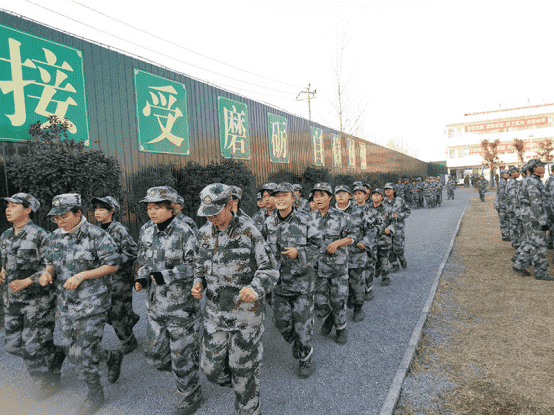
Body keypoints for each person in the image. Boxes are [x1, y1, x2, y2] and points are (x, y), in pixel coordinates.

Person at [192, 183, 278, 415]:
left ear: (230, 205)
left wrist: (255, 287)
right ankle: (241, 384)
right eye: (206, 214)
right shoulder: (202, 234)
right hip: (214, 315)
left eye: (215, 212)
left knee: (244, 370)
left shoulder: (249, 232)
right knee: (210, 369)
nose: (211, 218)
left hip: (245, 317)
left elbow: (270, 268)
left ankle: (249, 407)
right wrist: (197, 281)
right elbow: (199, 265)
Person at [39, 193, 122, 414]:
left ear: (78, 213)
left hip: (93, 302)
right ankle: (110, 356)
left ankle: (95, 393)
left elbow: (112, 265)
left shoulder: (96, 235)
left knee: (81, 352)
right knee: (69, 347)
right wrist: (47, 273)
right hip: (66, 303)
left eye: (64, 216)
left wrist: (82, 275)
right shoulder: (55, 236)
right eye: (55, 218)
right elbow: (49, 262)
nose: (59, 221)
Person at [134, 186, 203, 415]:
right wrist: (142, 279)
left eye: (157, 208)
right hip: (154, 306)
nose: (152, 212)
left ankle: (191, 393)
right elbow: (143, 260)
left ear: (171, 208)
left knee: (182, 356)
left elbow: (197, 265)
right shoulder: (146, 231)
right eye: (149, 208)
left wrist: (166, 276)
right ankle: (182, 366)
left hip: (181, 308)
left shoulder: (184, 231)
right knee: (154, 354)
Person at [0, 193, 65, 401]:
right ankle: (54, 353)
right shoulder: (5, 236)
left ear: (28, 210)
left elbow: (52, 268)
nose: (8, 210)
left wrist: (27, 281)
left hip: (37, 301)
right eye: (7, 206)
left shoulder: (41, 235)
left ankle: (48, 381)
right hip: (12, 299)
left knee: (31, 345)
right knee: (11, 345)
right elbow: (5, 262)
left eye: (14, 206)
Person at [262, 183, 321, 378]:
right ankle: (297, 342)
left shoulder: (305, 220)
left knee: (302, 326)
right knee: (281, 323)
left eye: (284, 195)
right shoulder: (269, 222)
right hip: (279, 285)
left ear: (293, 198)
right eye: (276, 195)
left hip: (302, 284)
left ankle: (305, 358)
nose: (279, 199)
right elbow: (262, 249)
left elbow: (318, 246)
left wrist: (300, 253)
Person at [90, 196, 139, 355]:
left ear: (111, 211)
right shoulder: (96, 230)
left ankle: (128, 341)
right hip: (104, 279)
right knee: (107, 312)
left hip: (120, 279)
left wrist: (113, 263)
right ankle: (130, 318)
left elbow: (132, 252)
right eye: (96, 209)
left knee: (114, 311)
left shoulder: (119, 230)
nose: (97, 212)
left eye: (102, 209)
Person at [311, 183, 355, 345]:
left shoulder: (341, 216)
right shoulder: (311, 218)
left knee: (338, 301)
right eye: (315, 196)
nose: (318, 199)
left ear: (330, 197)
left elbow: (352, 237)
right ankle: (329, 316)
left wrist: (337, 243)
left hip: (338, 268)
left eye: (322, 195)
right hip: (318, 269)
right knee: (319, 302)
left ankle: (341, 328)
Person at [335, 185, 373, 321]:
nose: (340, 196)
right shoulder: (331, 213)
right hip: (336, 259)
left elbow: (371, 229)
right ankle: (335, 316)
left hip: (356, 255)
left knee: (357, 284)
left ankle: (358, 308)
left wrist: (365, 242)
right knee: (338, 288)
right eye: (337, 193)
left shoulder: (359, 212)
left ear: (349, 196)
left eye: (343, 193)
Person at [512, 159, 554, 281]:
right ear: (534, 168)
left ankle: (519, 264)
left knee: (533, 243)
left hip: (529, 217)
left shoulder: (532, 180)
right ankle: (540, 272)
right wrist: (543, 221)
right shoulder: (532, 182)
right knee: (540, 246)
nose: (543, 168)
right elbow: (536, 204)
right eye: (541, 166)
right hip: (534, 218)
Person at [364, 189, 396, 286]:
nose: (376, 197)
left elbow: (394, 222)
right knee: (373, 258)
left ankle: (385, 277)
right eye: (374, 195)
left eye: (378, 195)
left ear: (382, 197)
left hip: (383, 239)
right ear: (371, 196)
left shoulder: (388, 209)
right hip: (371, 239)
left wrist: (389, 228)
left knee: (383, 257)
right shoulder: (367, 209)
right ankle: (377, 267)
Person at [383, 183, 410, 273]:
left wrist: (398, 215)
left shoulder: (400, 200)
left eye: (389, 189)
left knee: (397, 248)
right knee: (388, 247)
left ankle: (401, 258)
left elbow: (408, 211)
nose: (387, 190)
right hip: (387, 229)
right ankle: (394, 264)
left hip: (398, 227)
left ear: (394, 190)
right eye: (386, 189)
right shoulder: (382, 202)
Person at [494, 170, 511, 241]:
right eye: (506, 174)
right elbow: (502, 195)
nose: (508, 175)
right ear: (502, 175)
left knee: (505, 220)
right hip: (502, 205)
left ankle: (506, 234)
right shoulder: (503, 183)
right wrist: (504, 206)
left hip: (501, 205)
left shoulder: (504, 182)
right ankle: (505, 235)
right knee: (504, 221)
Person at [543, 164, 554, 249]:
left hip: (549, 207)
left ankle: (550, 244)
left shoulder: (550, 179)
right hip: (551, 208)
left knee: (551, 227)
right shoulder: (552, 180)